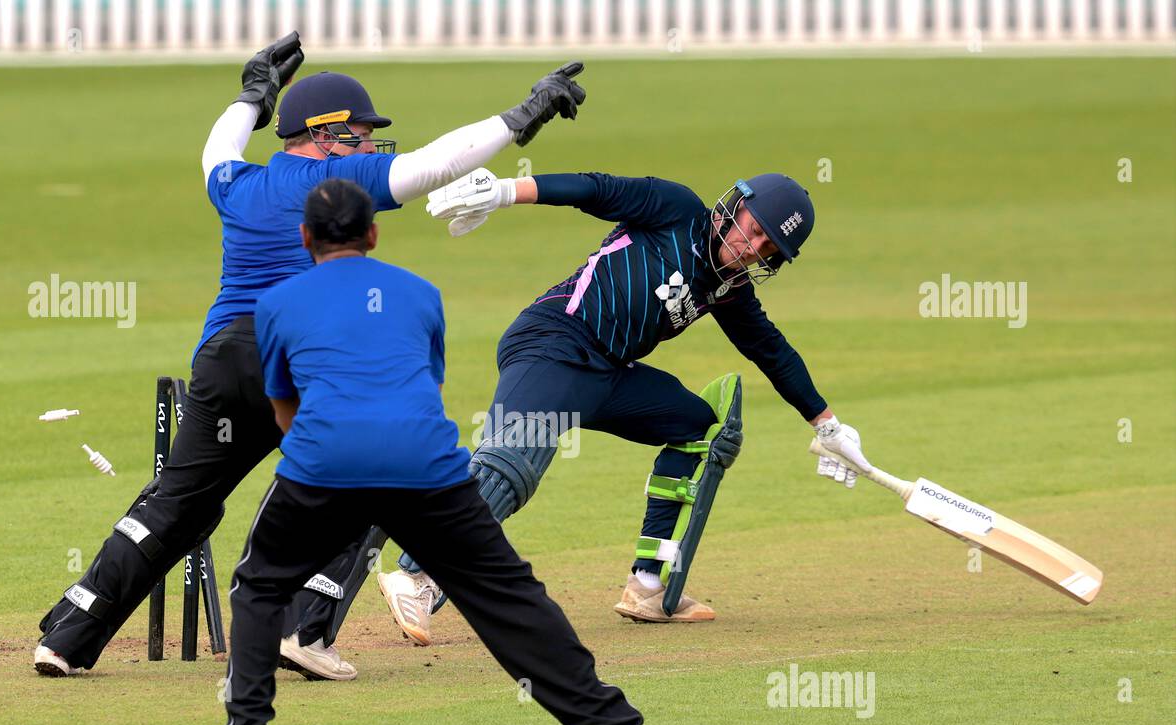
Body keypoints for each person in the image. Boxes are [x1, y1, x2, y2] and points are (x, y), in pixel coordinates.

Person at [32, 31, 589, 681]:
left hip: (221, 357)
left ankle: (69, 635)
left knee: (177, 503)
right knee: (374, 472)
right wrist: (519, 117)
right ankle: (303, 628)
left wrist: (250, 95)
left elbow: (216, 149)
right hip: (296, 356)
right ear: (324, 133)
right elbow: (437, 163)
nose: (368, 142)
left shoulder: (241, 185)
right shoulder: (335, 180)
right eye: (359, 130)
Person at [215, 179, 663, 725]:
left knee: (260, 585)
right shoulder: (420, 294)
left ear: (304, 238)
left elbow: (284, 408)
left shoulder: (275, 304)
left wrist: (324, 464)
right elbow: (424, 386)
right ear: (373, 234)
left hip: (325, 462)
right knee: (505, 595)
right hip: (424, 464)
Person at [350, 167, 873, 643]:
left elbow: (772, 352)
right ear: (733, 208)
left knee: (697, 426)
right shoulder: (677, 209)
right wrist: (509, 191)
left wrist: (828, 426)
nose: (751, 246)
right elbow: (594, 190)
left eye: (766, 246)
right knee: (512, 467)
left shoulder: (728, 290)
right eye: (752, 227)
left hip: (606, 375)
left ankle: (647, 584)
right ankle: (415, 575)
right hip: (552, 341)